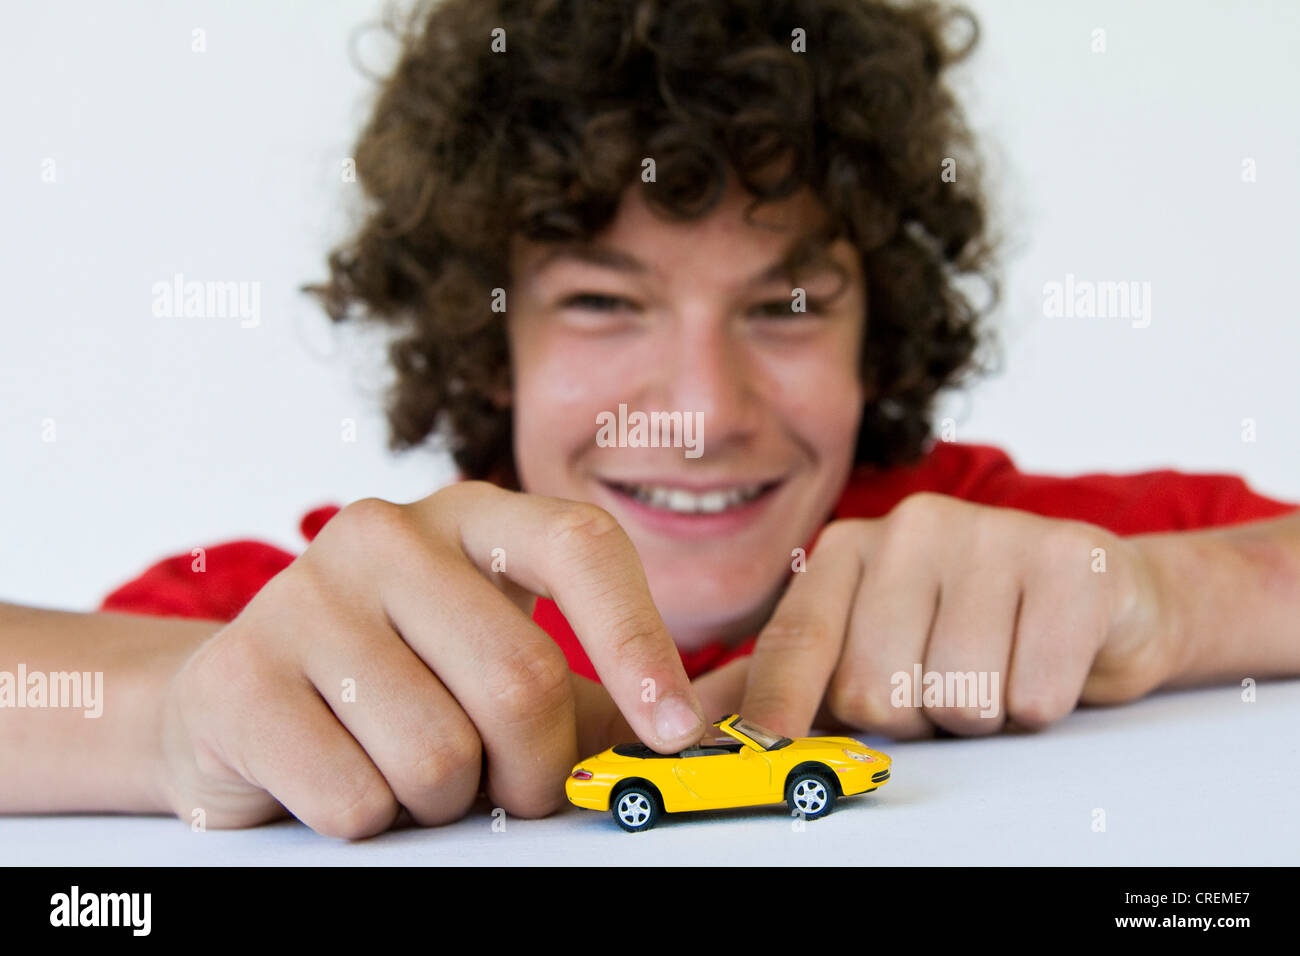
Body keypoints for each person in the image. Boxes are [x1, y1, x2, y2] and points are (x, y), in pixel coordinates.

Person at [3, 0, 1297, 839]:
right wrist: (179, 717)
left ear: (878, 330)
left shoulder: (1007, 544)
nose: (700, 411)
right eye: (605, 302)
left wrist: (1171, 607)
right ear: (484, 332)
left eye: (785, 303)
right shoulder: (322, 609)